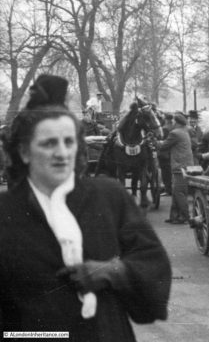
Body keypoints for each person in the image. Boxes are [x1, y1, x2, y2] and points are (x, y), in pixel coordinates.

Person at [0, 74, 171, 340]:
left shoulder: (109, 196)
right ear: (24, 151)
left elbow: (153, 263)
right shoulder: (6, 212)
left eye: (69, 142)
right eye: (48, 143)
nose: (62, 152)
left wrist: (113, 272)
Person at [156, 112, 195, 224]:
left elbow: (164, 146)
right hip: (184, 165)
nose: (170, 123)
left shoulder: (175, 133)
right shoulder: (183, 131)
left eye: (172, 121)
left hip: (180, 167)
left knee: (179, 193)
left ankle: (186, 217)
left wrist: (154, 142)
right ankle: (174, 216)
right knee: (176, 191)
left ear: (176, 122)